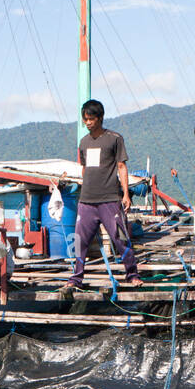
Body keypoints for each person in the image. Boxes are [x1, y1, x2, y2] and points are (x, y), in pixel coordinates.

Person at [70, 99, 139, 289]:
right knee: (79, 241)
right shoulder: (83, 142)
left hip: (110, 199)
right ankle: (76, 278)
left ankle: (132, 274)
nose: (88, 123)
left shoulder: (114, 138)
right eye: (85, 119)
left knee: (121, 238)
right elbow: (84, 169)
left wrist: (125, 194)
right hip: (87, 201)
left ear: (100, 118)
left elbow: (122, 166)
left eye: (91, 119)